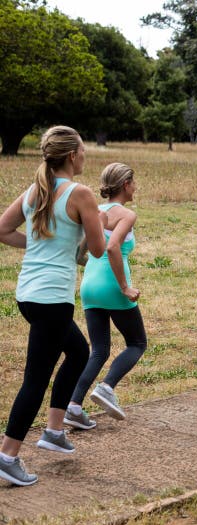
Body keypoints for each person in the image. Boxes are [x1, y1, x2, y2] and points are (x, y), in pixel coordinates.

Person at [0, 126, 105, 486]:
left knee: (78, 352)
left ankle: (54, 430)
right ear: (72, 156)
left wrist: (38, 248)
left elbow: (2, 228)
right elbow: (96, 250)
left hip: (28, 294)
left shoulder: (35, 190)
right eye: (83, 148)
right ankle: (7, 455)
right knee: (35, 379)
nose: (86, 154)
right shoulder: (81, 194)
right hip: (51, 299)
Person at [64, 163, 147, 430]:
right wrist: (124, 287)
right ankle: (107, 387)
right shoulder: (127, 214)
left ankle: (73, 406)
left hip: (89, 284)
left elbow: (78, 254)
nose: (135, 187)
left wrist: (93, 267)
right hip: (112, 285)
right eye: (133, 182)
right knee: (137, 343)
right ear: (125, 184)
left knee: (98, 350)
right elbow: (113, 247)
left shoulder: (96, 212)